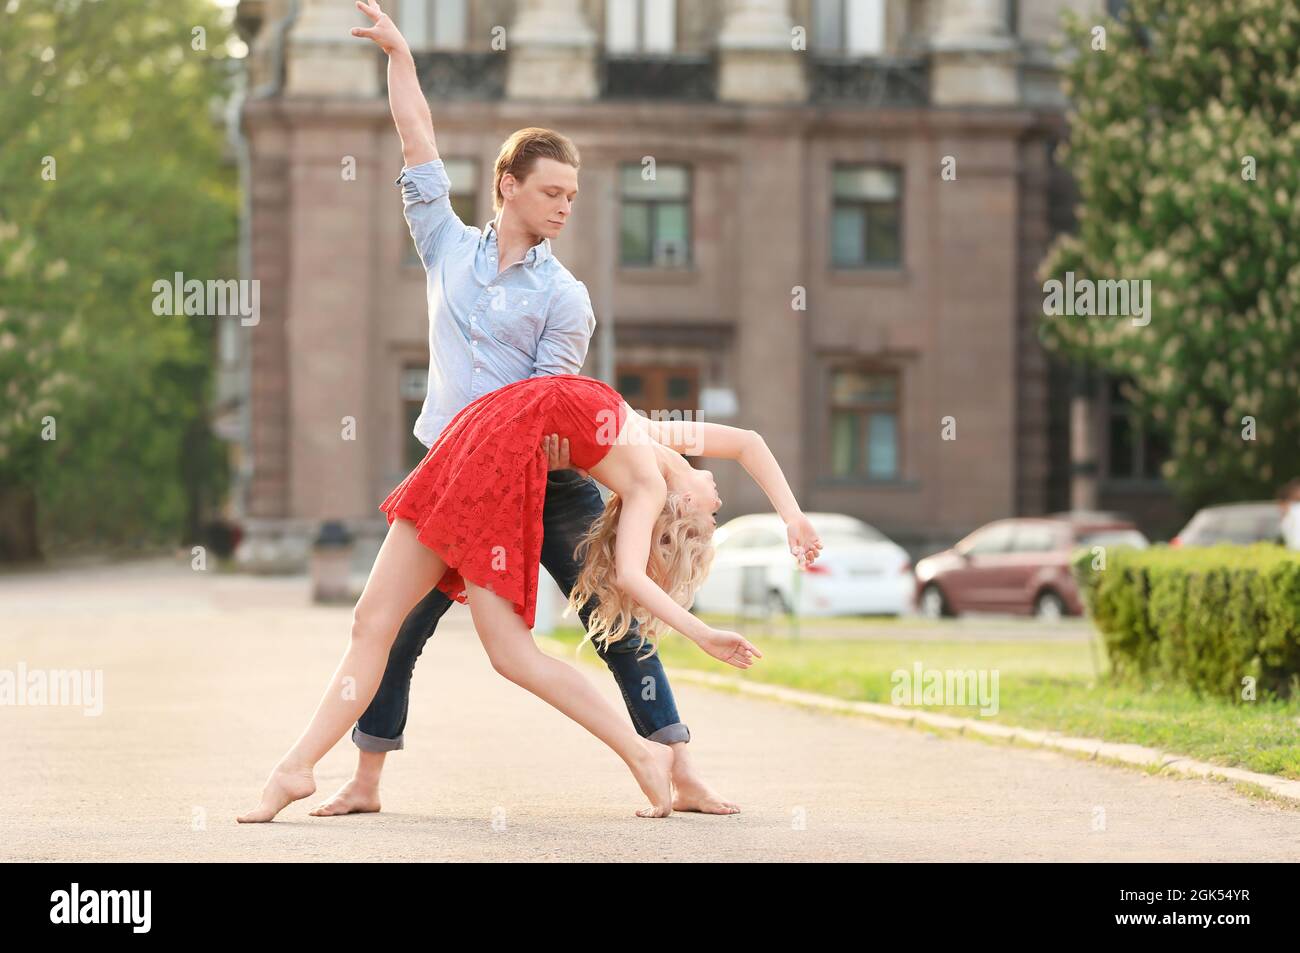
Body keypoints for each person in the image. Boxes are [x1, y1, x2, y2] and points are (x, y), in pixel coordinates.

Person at [237, 372, 822, 821]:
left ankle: (642, 753)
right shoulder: (651, 436)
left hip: (498, 460)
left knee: (509, 655)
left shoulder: (646, 482)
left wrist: (703, 634)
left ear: (680, 511)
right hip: (475, 438)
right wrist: (793, 516)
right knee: (371, 622)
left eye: (711, 511)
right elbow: (747, 443)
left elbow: (632, 579)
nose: (717, 493)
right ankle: (297, 767)